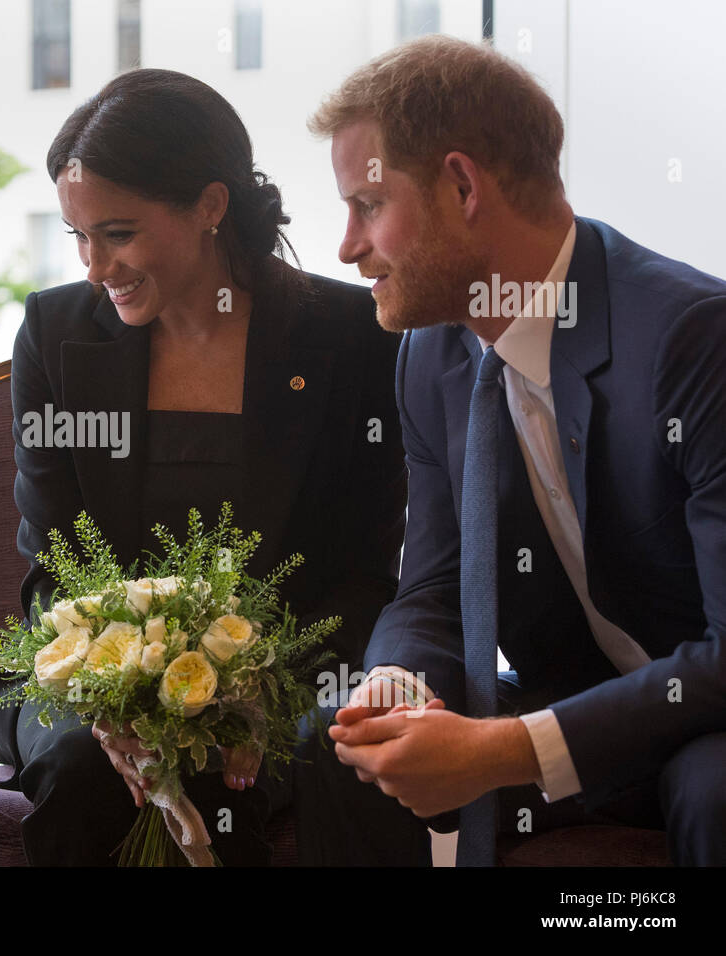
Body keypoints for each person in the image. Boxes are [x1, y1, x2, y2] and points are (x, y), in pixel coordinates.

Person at [307, 35, 726, 865]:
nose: (347, 247)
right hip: (575, 697)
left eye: (367, 205)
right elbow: (430, 584)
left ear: (463, 185)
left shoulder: (690, 339)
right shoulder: (431, 355)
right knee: (338, 746)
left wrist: (503, 751)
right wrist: (398, 684)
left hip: (704, 715)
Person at [0, 68, 408, 866]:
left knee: (214, 775)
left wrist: (255, 692)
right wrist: (116, 700)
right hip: (80, 675)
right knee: (87, 769)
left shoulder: (351, 338)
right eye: (78, 236)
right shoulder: (55, 331)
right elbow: (55, 562)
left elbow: (361, 580)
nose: (94, 267)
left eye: (117, 233)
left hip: (282, 680)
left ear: (211, 207)